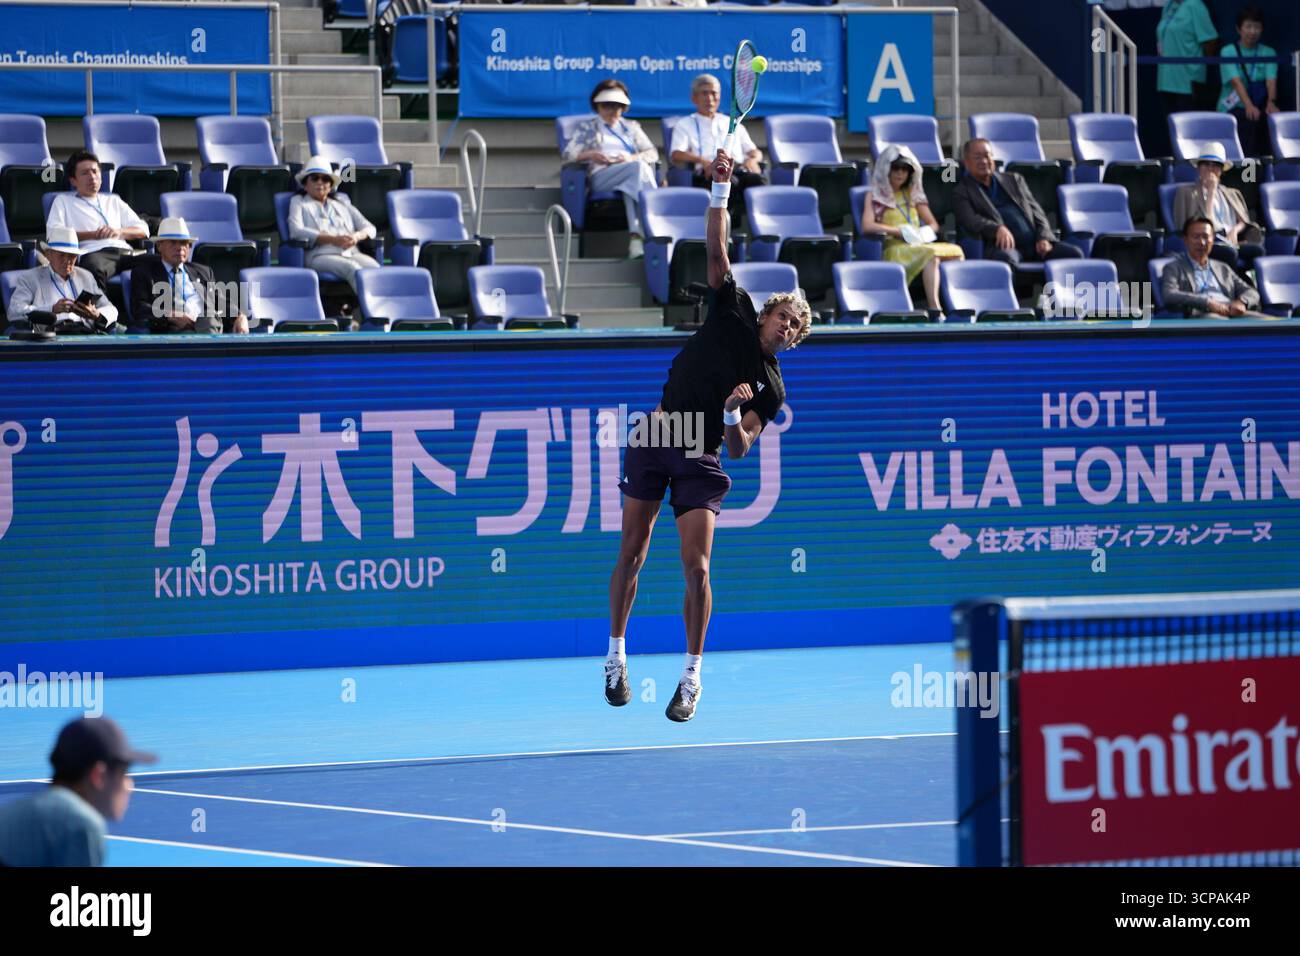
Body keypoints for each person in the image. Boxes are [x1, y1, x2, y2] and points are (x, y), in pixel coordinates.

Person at [605, 149, 808, 723]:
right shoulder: (732, 309)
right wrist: (720, 190)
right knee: (633, 554)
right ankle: (616, 658)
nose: (787, 327)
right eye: (784, 316)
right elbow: (717, 249)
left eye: (796, 327)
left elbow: (741, 447)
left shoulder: (771, 388)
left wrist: (727, 416)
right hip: (658, 433)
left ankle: (692, 677)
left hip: (703, 451)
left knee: (697, 570)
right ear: (765, 314)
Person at [0, 716, 156, 866]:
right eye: (123, 774)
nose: (129, 785)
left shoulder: (10, 813)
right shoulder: (82, 826)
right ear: (98, 776)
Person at [859, 144, 964, 314]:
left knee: (956, 251)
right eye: (896, 168)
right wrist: (897, 231)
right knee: (932, 256)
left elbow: (933, 224)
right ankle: (934, 308)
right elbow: (867, 225)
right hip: (895, 248)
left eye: (905, 169)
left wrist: (923, 233)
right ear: (887, 169)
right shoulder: (874, 195)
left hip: (918, 244)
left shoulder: (913, 194)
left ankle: (956, 306)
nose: (900, 173)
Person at [560, 79, 659, 259]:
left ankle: (636, 240)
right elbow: (568, 154)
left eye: (618, 106)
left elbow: (652, 153)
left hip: (629, 172)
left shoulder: (631, 127)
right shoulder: (588, 127)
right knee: (638, 170)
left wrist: (630, 157)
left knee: (633, 182)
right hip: (601, 176)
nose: (613, 110)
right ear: (597, 105)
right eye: (607, 105)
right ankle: (656, 214)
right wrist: (591, 154)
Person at [952, 138, 1082, 268]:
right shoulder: (962, 191)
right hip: (1006, 247)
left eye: (987, 156)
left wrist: (1043, 237)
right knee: (1006, 260)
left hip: (1035, 244)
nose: (984, 161)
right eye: (977, 157)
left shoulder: (1014, 179)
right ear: (967, 162)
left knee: (1074, 254)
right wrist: (997, 228)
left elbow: (1037, 212)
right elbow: (970, 220)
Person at [46, 150, 149, 292]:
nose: (92, 177)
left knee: (160, 263)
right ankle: (99, 312)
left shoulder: (113, 199)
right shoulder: (63, 201)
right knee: (93, 269)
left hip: (126, 253)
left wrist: (119, 231)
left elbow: (143, 229)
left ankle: (155, 312)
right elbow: (53, 234)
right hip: (95, 253)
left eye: (95, 172)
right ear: (73, 180)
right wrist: (93, 235)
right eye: (85, 173)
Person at [669, 73, 764, 221]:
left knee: (757, 179)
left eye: (714, 93)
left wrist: (753, 159)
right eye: (704, 93)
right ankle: (723, 232)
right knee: (730, 182)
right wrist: (704, 161)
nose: (710, 98)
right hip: (708, 175)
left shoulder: (732, 122)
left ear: (719, 96)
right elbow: (676, 154)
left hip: (738, 170)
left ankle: (764, 232)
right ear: (694, 98)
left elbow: (754, 151)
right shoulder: (684, 124)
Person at [130, 217, 249, 334]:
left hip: (207, 324)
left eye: (184, 243)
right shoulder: (144, 273)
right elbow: (140, 309)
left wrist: (240, 316)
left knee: (208, 319)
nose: (179, 248)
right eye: (173, 242)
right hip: (173, 330)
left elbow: (220, 300)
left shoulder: (204, 272)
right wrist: (170, 315)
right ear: (159, 246)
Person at [288, 156, 379, 292]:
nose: (320, 182)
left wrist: (356, 236)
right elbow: (296, 230)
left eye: (325, 179)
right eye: (314, 178)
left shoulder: (342, 203)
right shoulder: (298, 202)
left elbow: (370, 228)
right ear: (305, 184)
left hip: (349, 252)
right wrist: (331, 239)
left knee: (375, 269)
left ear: (330, 186)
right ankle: (371, 310)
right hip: (319, 255)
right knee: (352, 268)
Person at [1172, 142, 1264, 272]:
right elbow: (1189, 225)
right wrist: (1210, 193)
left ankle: (1249, 285)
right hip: (1207, 242)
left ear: (1221, 171)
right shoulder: (1186, 192)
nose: (1211, 169)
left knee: (1257, 250)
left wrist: (1235, 231)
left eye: (1216, 166)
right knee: (1229, 253)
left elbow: (1243, 220)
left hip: (1230, 240)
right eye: (1206, 165)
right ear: (1199, 168)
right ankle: (1228, 287)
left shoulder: (1231, 193)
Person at [8, 225, 117, 331]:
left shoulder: (86, 276)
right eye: (61, 255)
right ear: (48, 254)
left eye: (72, 256)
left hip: (84, 333)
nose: (67, 261)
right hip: (51, 334)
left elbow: (111, 309)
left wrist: (96, 314)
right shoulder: (30, 278)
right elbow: (14, 311)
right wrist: (51, 309)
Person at [1161, 216, 1266, 317]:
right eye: (1196, 237)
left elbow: (1251, 292)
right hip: (1202, 314)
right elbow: (1169, 295)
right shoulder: (1173, 267)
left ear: (1213, 239)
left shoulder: (1222, 267)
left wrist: (1242, 302)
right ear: (1185, 240)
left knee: (1267, 323)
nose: (1202, 242)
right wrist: (1207, 303)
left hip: (1229, 311)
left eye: (1206, 237)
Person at [1216, 5, 1279, 158]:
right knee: (1248, 126)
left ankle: (1267, 174)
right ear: (1239, 29)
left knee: (1271, 124)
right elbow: (1236, 82)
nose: (1252, 31)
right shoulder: (1228, 51)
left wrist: (1271, 103)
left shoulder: (1268, 52)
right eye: (1248, 26)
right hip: (1234, 108)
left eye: (1256, 27)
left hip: (1259, 107)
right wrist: (1249, 106)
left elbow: (1271, 82)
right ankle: (1248, 177)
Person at [1156, 0, 1219, 130]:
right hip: (1166, 80)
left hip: (1188, 82)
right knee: (1172, 130)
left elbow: (1210, 41)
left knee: (1188, 130)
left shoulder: (1196, 5)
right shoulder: (1168, 6)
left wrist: (1198, 67)